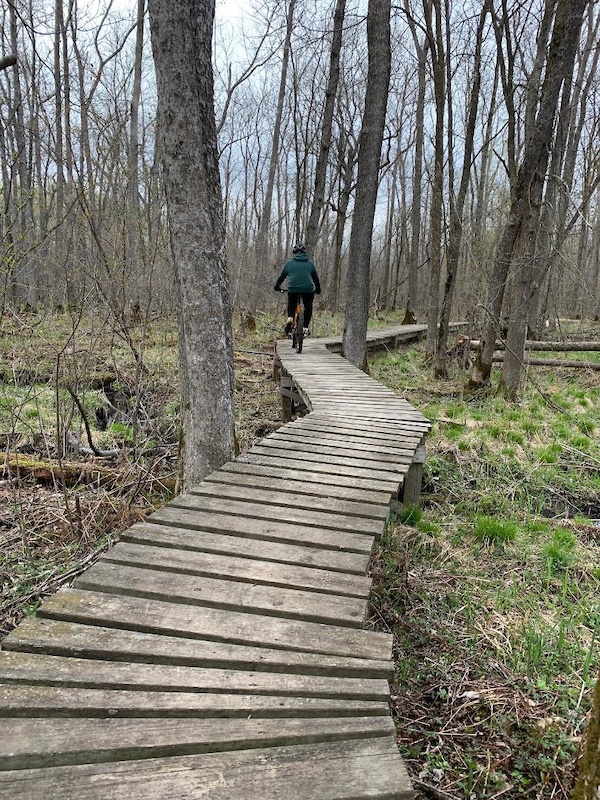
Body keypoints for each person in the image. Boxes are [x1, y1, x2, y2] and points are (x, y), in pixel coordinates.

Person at [274, 243, 321, 335]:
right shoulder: (310, 264)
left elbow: (282, 277)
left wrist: (277, 287)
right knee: (308, 307)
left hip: (293, 289)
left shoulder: (289, 263)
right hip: (307, 289)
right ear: (304, 253)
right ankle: (305, 327)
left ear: (294, 253)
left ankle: (290, 317)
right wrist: (318, 289)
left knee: (291, 304)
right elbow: (315, 278)